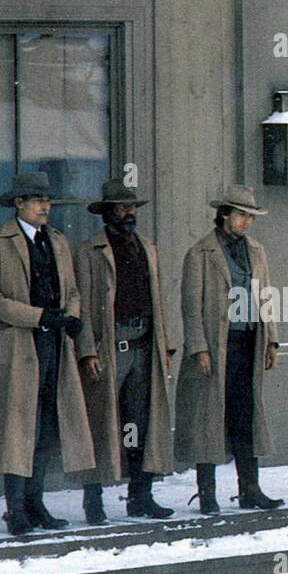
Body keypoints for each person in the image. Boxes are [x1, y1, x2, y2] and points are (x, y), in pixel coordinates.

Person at [0, 172, 94, 535]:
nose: (46, 207)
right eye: (37, 200)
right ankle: (15, 509)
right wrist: (39, 316)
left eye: (48, 201)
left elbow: (72, 290)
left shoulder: (57, 241)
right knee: (18, 427)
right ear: (19, 204)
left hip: (52, 345)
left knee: (45, 425)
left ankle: (35, 501)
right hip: (16, 346)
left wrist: (70, 317)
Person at [175, 185, 282, 515]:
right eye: (240, 215)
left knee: (245, 418)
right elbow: (191, 306)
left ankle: (250, 489)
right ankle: (207, 493)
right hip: (216, 346)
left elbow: (266, 298)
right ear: (223, 215)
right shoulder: (201, 253)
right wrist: (198, 348)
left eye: (250, 216)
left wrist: (272, 340)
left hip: (249, 343)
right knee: (208, 418)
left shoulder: (256, 251)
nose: (246, 222)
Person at [75, 180, 176, 524]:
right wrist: (87, 350)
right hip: (110, 345)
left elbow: (158, 300)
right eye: (120, 208)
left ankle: (140, 495)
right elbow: (83, 307)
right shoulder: (90, 252)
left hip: (144, 343)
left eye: (131, 207)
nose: (128, 213)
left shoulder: (146, 247)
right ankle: (94, 499)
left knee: (139, 423)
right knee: (101, 421)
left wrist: (165, 344)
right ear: (107, 213)